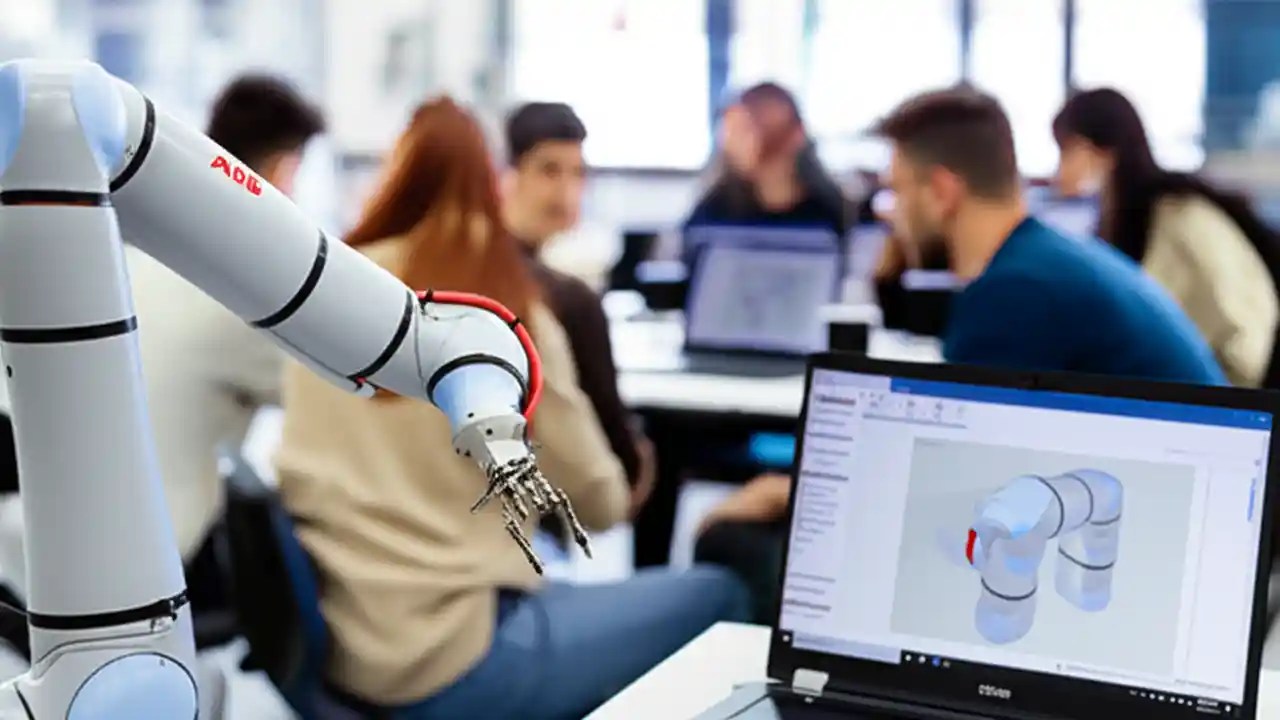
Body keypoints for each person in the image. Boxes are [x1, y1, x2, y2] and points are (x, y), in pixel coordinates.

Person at [274, 97, 749, 720]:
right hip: (455, 660)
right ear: (500, 180)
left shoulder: (322, 294)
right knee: (722, 595)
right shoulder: (507, 313)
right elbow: (604, 505)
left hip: (343, 653)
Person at [695, 87, 1226, 624]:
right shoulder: (1049, 261)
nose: (892, 215)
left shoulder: (1012, 296)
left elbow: (954, 493)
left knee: (742, 540)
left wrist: (791, 494)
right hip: (1177, 535)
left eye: (898, 192)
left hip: (1143, 567)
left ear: (942, 192)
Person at [1053, 88, 1280, 388]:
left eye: (1067, 150)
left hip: (1230, 397)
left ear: (1105, 151)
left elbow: (1245, 326)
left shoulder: (1180, 217)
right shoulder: (1118, 223)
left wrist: (1229, 406)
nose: (1059, 171)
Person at [502, 102, 656, 524]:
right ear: (506, 174)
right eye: (549, 170)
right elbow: (620, 466)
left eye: (578, 173)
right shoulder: (566, 299)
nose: (567, 191)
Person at [685, 82, 853, 238]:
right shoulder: (714, 212)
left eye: (745, 129)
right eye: (730, 131)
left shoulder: (832, 213)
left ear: (796, 135)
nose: (730, 143)